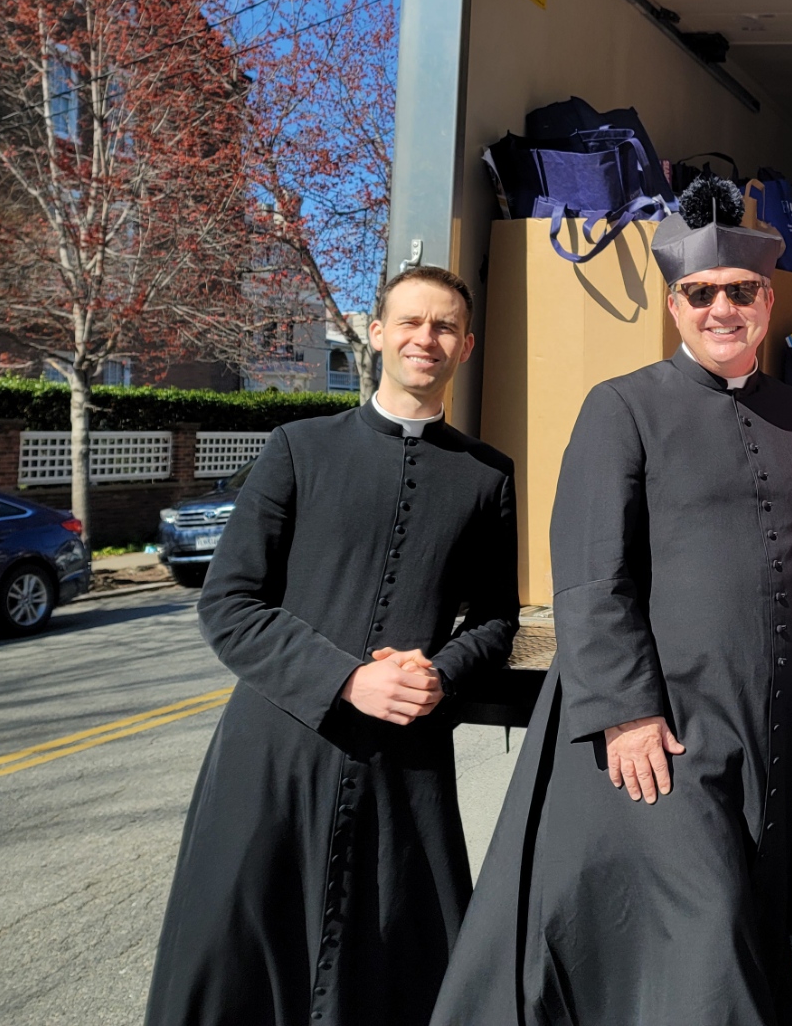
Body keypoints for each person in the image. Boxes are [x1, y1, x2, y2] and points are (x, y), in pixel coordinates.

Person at [431, 177, 792, 1026]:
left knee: (736, 918)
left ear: (767, 301)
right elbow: (589, 572)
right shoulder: (620, 405)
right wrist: (625, 710)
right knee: (706, 925)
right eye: (701, 295)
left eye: (740, 293)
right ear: (674, 305)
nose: (722, 309)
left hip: (763, 725)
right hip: (660, 723)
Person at [145, 267, 518, 1026]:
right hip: (276, 753)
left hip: (402, 764)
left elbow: (496, 619)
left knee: (393, 966)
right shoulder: (297, 448)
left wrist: (439, 675)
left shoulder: (488, 476)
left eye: (444, 326)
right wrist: (346, 679)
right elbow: (230, 602)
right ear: (376, 333)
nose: (426, 338)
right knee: (241, 965)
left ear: (467, 346)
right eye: (409, 322)